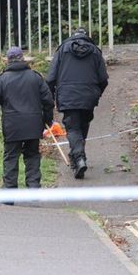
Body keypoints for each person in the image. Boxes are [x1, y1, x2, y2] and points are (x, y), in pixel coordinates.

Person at [0, 47, 55, 194]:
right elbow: (48, 101)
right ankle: (34, 189)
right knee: (32, 156)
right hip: (33, 125)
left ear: (7, 60)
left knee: (11, 157)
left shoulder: (2, 79)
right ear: (23, 58)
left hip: (12, 126)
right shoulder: (35, 77)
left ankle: (10, 192)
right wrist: (47, 121)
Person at [46, 29, 108, 179]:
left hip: (68, 96)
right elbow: (103, 79)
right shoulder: (95, 52)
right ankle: (77, 156)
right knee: (83, 125)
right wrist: (96, 94)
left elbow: (51, 78)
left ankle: (79, 158)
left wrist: (51, 96)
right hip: (88, 96)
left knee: (73, 128)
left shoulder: (62, 50)